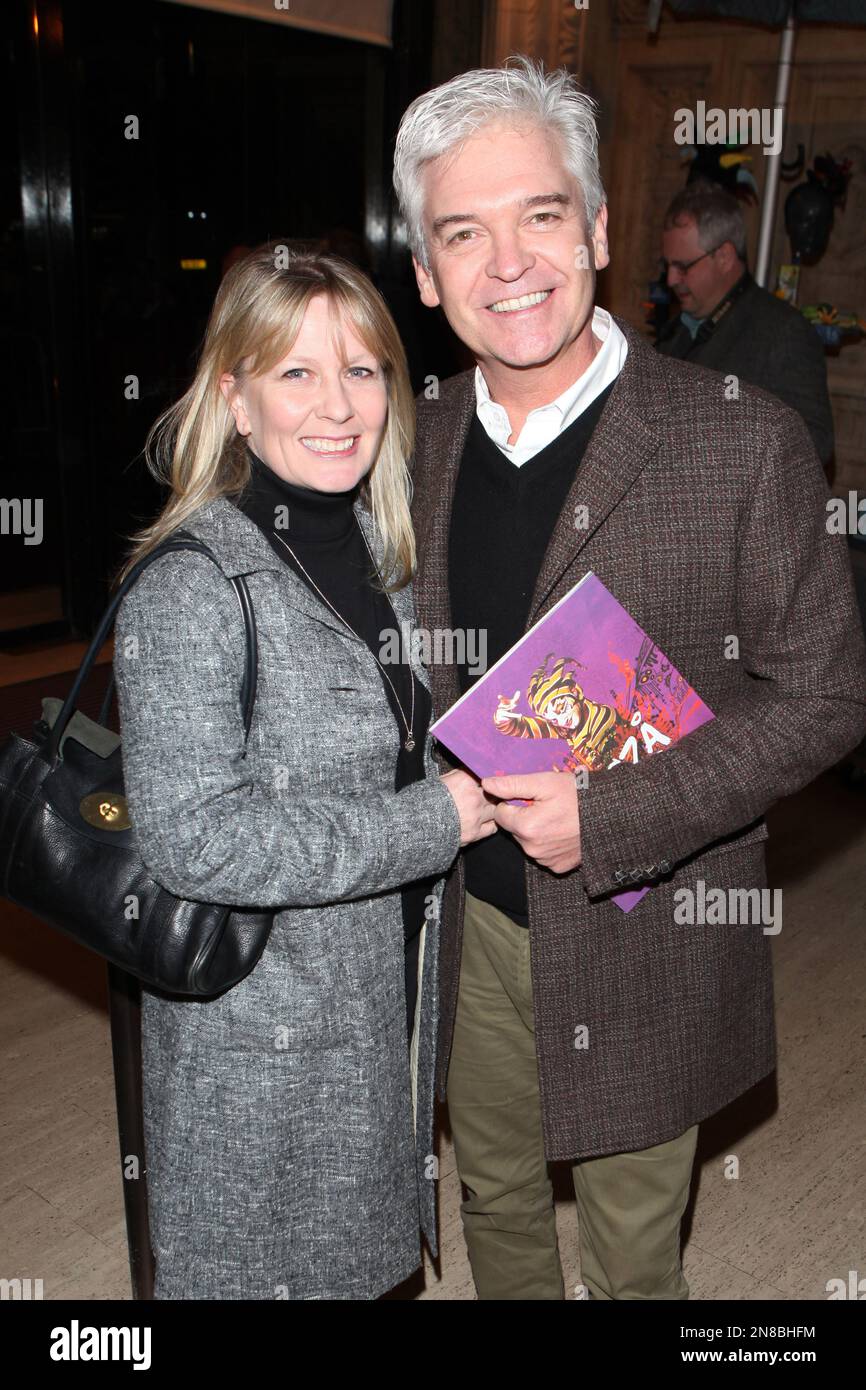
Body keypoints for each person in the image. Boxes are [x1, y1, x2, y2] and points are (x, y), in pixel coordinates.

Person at [392, 56, 866, 1300]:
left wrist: (613, 818)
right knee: (490, 1193)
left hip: (643, 918)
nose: (509, 265)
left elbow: (825, 693)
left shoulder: (737, 437)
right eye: (463, 233)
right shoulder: (409, 439)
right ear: (426, 271)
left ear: (598, 231)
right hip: (467, 911)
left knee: (630, 1247)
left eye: (540, 216)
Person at [111, 244, 496, 1300]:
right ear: (233, 398)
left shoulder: (388, 555)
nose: (338, 405)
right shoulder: (191, 587)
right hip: (256, 1044)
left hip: (377, 1013)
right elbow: (197, 838)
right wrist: (433, 822)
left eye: (363, 369)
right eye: (296, 373)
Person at [656, 181, 835, 469]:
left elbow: (814, 446)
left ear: (724, 257)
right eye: (668, 266)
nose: (671, 280)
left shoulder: (785, 331)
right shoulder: (677, 330)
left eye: (683, 267)